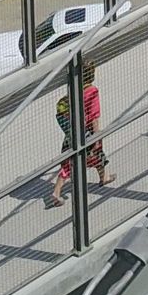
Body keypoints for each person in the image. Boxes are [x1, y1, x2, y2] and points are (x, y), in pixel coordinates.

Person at [47, 79, 106, 207]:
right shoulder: (91, 92)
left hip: (70, 142)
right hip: (85, 137)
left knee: (68, 166)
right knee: (96, 154)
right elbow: (94, 117)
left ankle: (56, 192)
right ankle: (103, 177)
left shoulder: (66, 110)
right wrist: (96, 137)